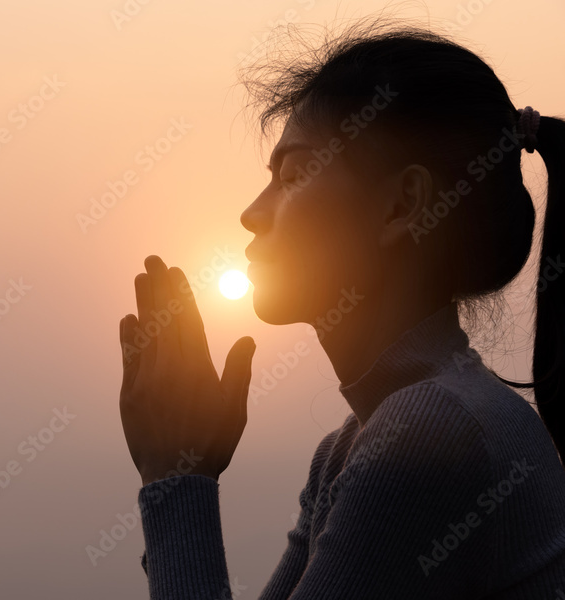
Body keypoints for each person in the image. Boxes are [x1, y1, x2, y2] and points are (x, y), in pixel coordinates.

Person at [117, 20, 565, 599]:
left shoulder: (433, 430)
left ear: (402, 206)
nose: (253, 213)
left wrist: (176, 476)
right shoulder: (350, 447)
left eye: (295, 173)